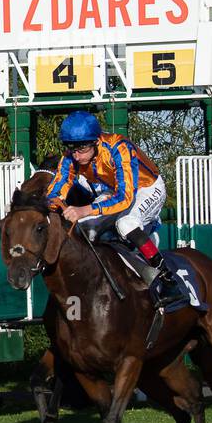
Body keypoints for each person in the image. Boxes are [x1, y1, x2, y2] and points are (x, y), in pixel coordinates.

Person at [45, 110, 186, 308]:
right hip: (114, 190)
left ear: (96, 141)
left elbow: (125, 198)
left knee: (125, 223)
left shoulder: (118, 147)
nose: (76, 156)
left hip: (147, 188)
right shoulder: (71, 158)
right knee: (84, 228)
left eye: (81, 149)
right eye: (71, 149)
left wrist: (85, 209)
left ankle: (168, 280)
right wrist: (45, 206)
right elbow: (57, 189)